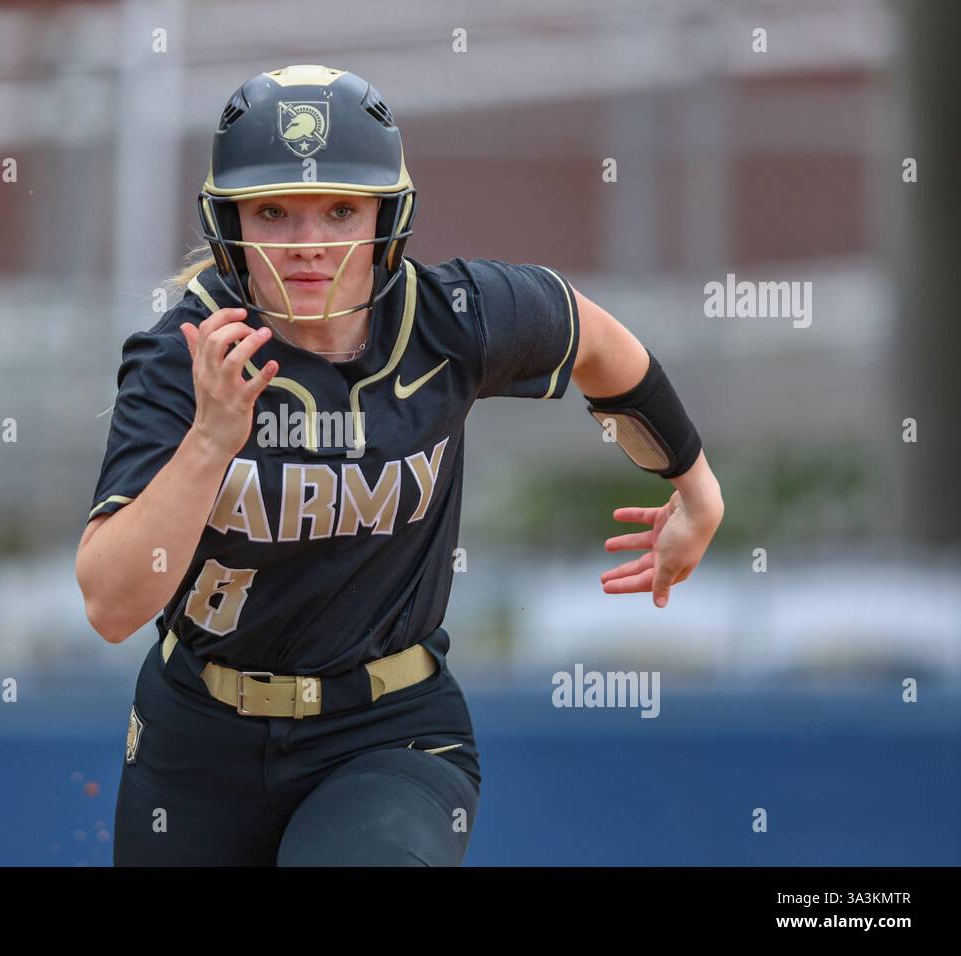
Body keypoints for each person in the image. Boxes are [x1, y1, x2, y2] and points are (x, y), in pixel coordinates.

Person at [74, 64, 724, 866]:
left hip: (387, 728)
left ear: (387, 215)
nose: (309, 245)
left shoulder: (449, 319)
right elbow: (110, 604)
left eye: (340, 209)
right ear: (229, 223)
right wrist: (211, 439)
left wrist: (695, 489)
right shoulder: (186, 356)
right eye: (274, 211)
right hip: (199, 735)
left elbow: (592, 340)